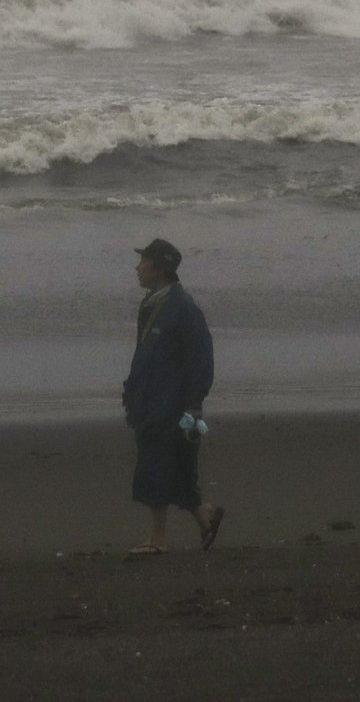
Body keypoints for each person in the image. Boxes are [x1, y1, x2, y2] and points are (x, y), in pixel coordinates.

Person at [121, 237, 222, 553]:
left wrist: (194, 406)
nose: (137, 267)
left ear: (159, 269)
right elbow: (146, 354)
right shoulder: (152, 303)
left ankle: (159, 539)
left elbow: (202, 360)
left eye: (143, 262)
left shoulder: (183, 309)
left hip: (171, 405)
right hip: (150, 400)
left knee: (155, 466)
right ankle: (204, 517)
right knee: (178, 465)